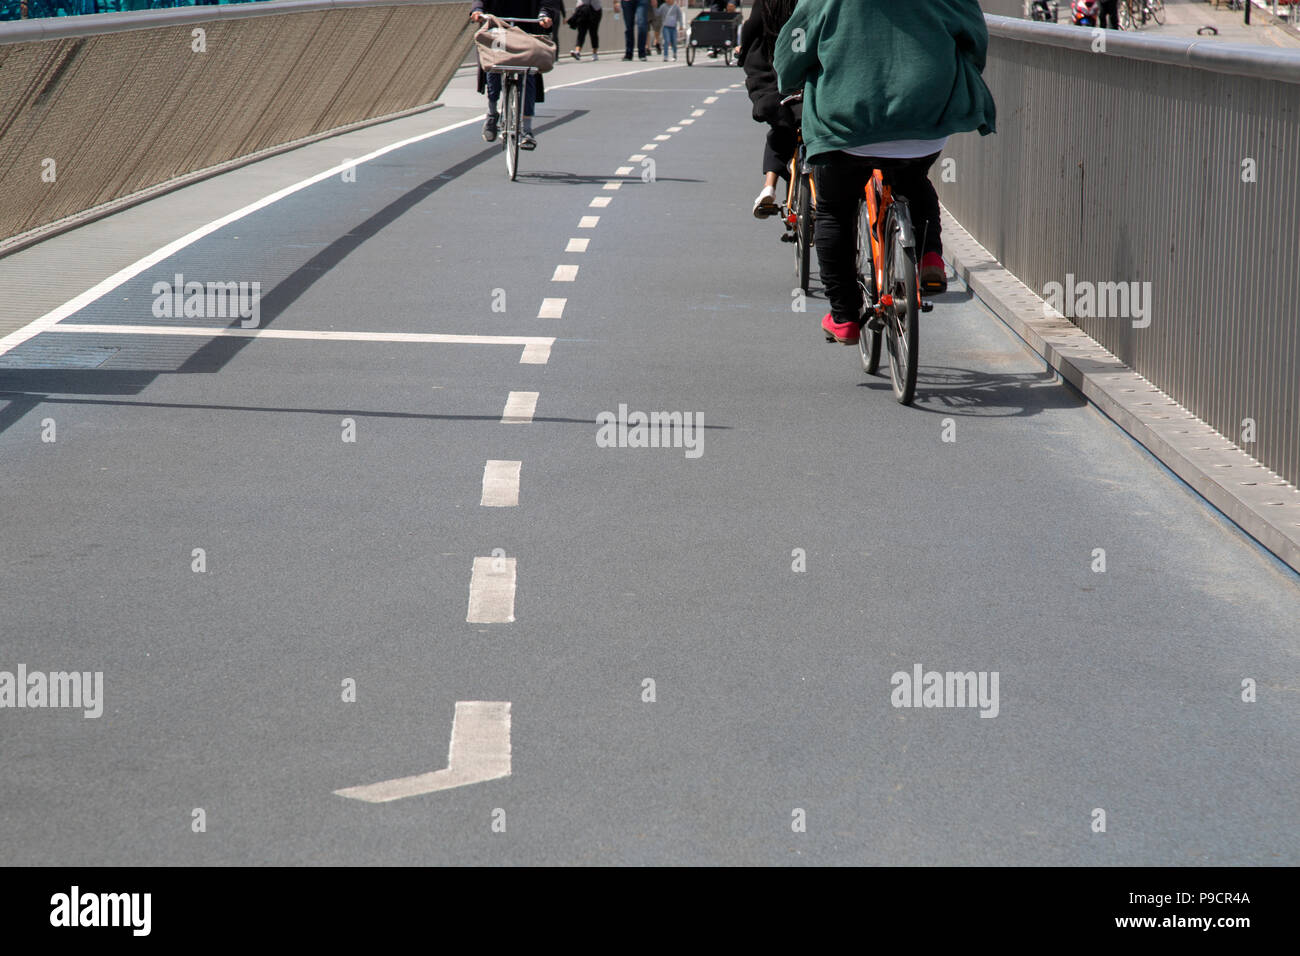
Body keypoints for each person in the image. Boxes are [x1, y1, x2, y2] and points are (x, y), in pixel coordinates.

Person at [774, 0, 995, 346]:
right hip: (926, 117)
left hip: (847, 127)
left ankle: (845, 317)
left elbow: (794, 45)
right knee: (912, 178)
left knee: (833, 208)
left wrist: (788, 81)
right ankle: (929, 255)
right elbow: (974, 35)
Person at [472, 0, 562, 150]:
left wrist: (545, 14)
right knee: (494, 65)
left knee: (529, 73)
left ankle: (527, 130)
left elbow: (548, 2)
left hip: (526, 31)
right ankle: (492, 112)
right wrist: (478, 10)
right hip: (498, 29)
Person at [738, 0, 799, 218]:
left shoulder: (768, 3)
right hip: (808, 67)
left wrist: (742, 50)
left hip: (773, 71)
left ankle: (768, 186)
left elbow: (752, 25)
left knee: (781, 123)